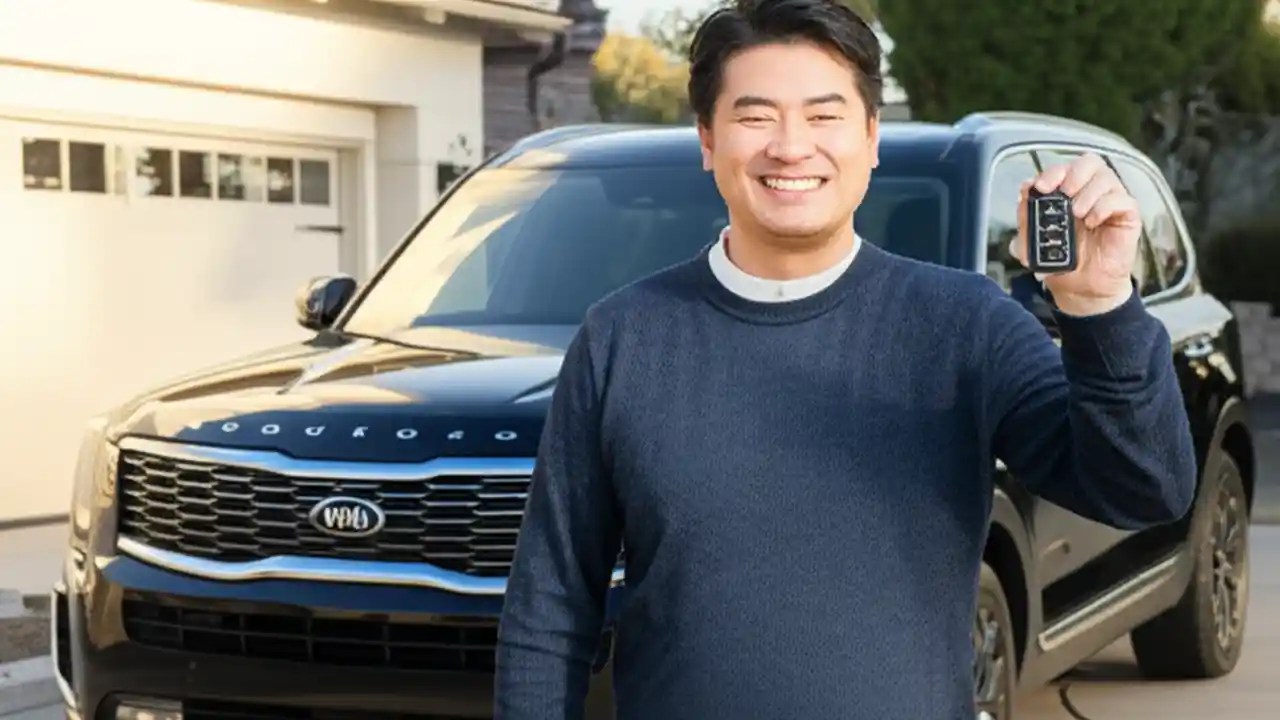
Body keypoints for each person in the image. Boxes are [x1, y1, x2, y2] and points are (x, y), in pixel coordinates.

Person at [494, 0, 1198, 718]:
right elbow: (550, 609)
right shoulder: (623, 338)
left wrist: (1101, 305)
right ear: (707, 138)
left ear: (870, 137)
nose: (791, 146)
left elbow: (1147, 489)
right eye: (756, 116)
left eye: (824, 115)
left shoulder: (966, 326)